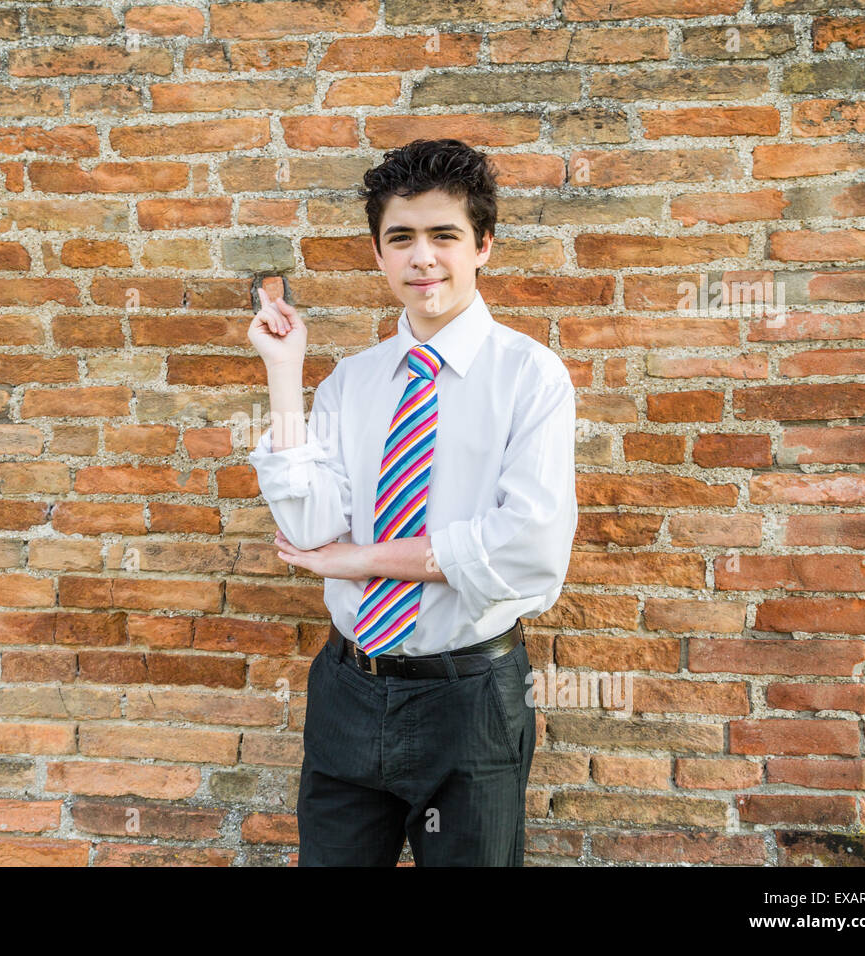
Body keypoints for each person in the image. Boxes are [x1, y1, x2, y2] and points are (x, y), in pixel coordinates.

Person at [246, 138, 578, 866]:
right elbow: (308, 530)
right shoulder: (349, 384)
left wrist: (364, 558)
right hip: (348, 690)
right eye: (401, 239)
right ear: (378, 254)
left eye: (444, 236)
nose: (422, 258)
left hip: (469, 699)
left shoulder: (530, 377)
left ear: (483, 245)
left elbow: (528, 550)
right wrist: (285, 374)